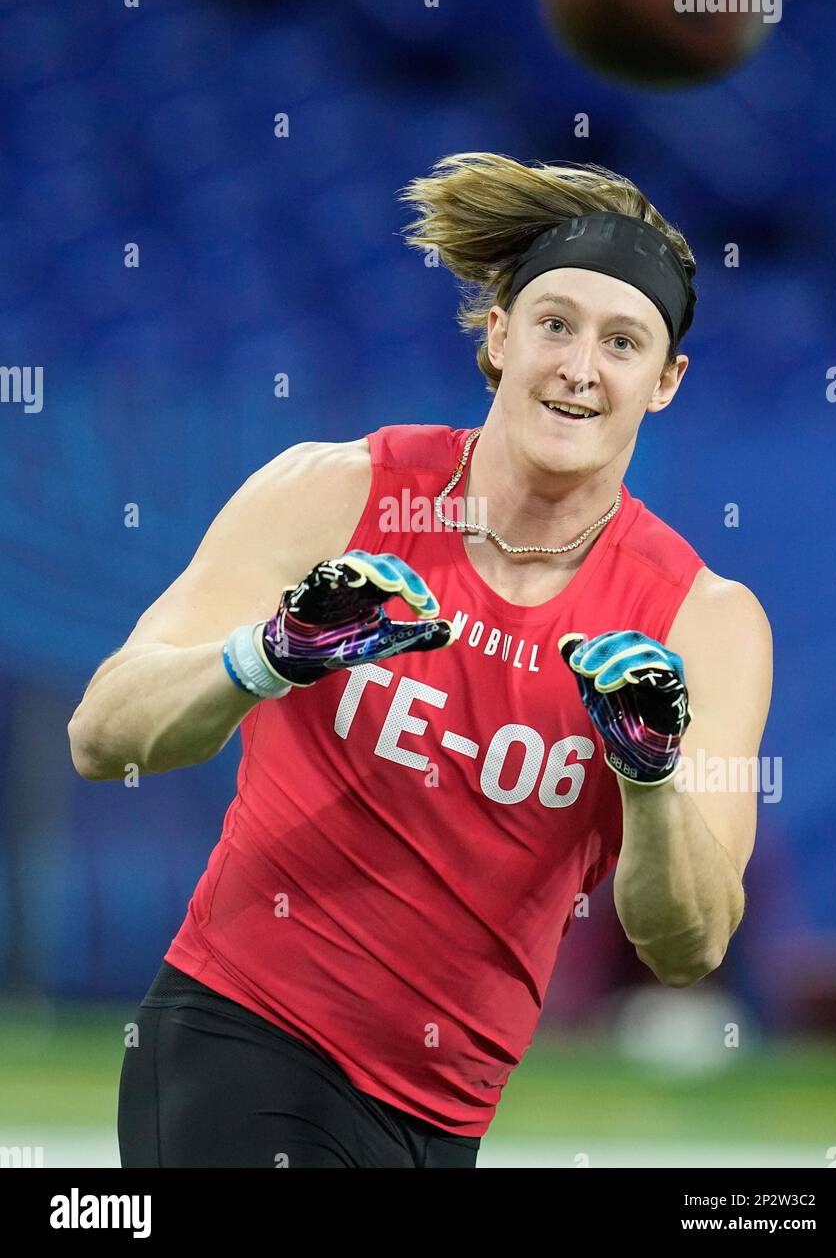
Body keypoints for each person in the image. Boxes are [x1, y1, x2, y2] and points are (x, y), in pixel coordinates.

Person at [68, 152, 773, 1169]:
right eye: (554, 324)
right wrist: (266, 655)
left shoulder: (704, 622)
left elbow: (690, 941)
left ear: (664, 383)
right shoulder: (335, 492)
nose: (579, 365)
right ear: (497, 334)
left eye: (621, 342)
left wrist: (648, 776)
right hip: (240, 1039)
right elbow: (103, 732)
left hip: (445, 1120)